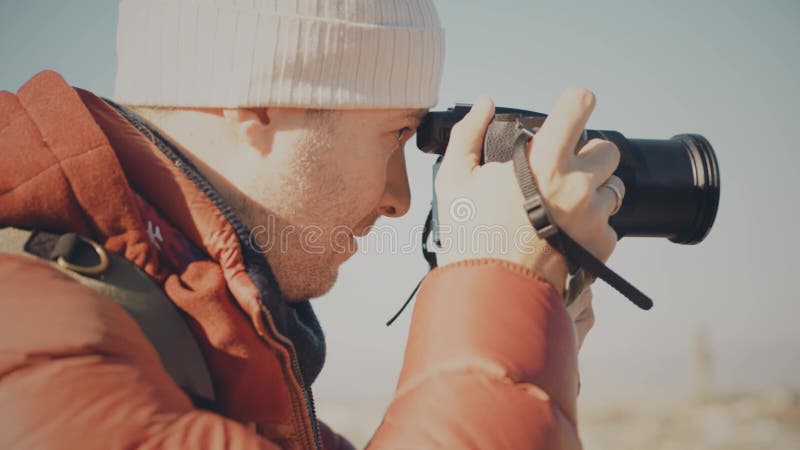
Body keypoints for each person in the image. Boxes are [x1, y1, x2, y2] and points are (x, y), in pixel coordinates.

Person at [0, 0, 623, 448]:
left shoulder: (206, 336)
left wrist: (532, 338)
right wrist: (501, 291)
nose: (398, 199)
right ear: (257, 99)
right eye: (396, 133)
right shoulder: (24, 324)